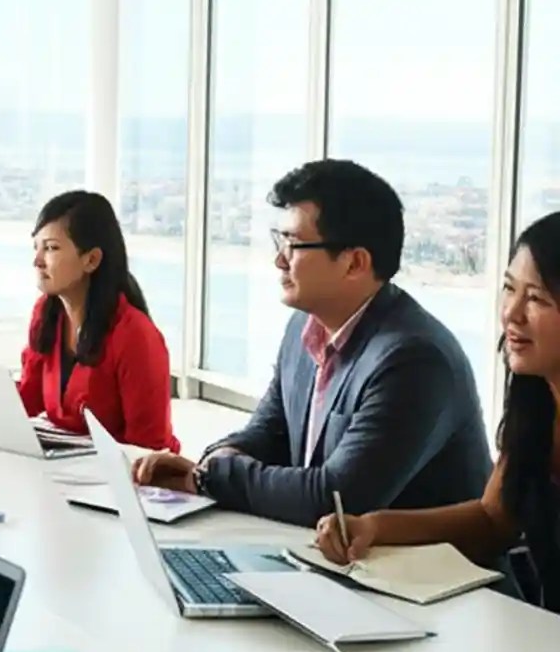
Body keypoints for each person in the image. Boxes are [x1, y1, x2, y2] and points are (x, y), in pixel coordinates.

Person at [134, 159, 490, 527]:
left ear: (354, 263)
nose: (278, 260)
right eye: (280, 241)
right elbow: (270, 432)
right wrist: (215, 460)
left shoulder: (414, 359)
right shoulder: (304, 327)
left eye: (293, 245)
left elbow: (335, 496)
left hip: (426, 579)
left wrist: (209, 478)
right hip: (337, 561)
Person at [316, 212, 560, 611]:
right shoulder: (537, 398)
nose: (511, 314)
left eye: (536, 299)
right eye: (508, 289)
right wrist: (374, 526)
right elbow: (491, 522)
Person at [17, 190, 179, 451]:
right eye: (36, 247)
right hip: (70, 468)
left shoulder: (135, 335)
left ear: (91, 259)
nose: (37, 261)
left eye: (50, 248)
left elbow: (149, 446)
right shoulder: (46, 313)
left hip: (129, 480)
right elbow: (29, 400)